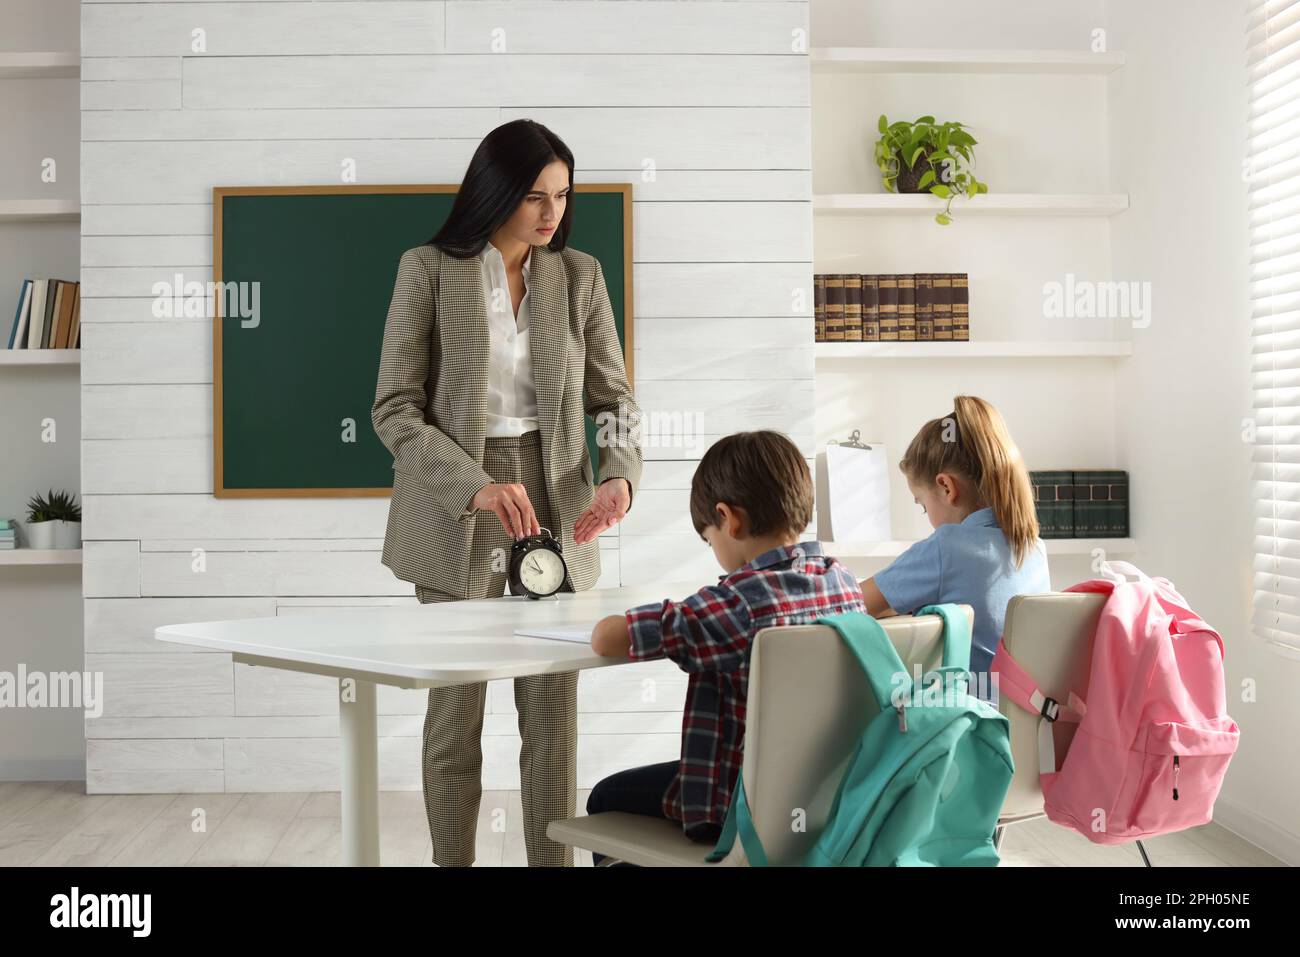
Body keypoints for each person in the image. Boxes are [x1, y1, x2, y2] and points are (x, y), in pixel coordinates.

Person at [371, 119, 642, 867]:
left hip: (556, 504)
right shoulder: (426, 269)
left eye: (561, 195)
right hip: (458, 502)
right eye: (533, 196)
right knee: (455, 719)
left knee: (551, 723)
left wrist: (619, 471)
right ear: (493, 192)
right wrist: (479, 485)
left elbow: (614, 397)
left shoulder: (579, 275)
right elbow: (393, 409)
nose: (552, 212)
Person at [586, 430, 866, 865]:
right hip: (828, 802)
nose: (713, 547)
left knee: (606, 796)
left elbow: (606, 637)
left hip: (733, 807)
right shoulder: (843, 584)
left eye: (709, 537)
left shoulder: (735, 603)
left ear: (728, 518)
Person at [859, 395, 1050, 691]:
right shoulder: (1033, 547)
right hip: (1022, 722)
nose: (928, 517)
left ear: (947, 487)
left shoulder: (946, 547)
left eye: (922, 505)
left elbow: (850, 603)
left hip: (964, 723)